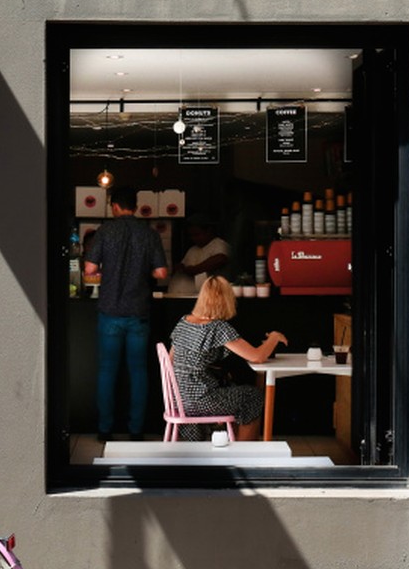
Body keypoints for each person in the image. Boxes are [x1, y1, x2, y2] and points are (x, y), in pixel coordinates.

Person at [84, 187, 169, 441]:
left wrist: (106, 274)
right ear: (134, 205)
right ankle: (136, 431)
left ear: (115, 206)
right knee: (139, 371)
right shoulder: (149, 234)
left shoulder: (105, 232)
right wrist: (145, 274)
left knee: (107, 370)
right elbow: (162, 273)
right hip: (139, 312)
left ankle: (105, 430)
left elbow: (89, 269)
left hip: (110, 310)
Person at [169, 276, 288, 441]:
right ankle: (243, 454)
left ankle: (234, 446)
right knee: (252, 397)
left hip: (178, 400)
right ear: (226, 300)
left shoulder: (183, 322)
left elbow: (170, 361)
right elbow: (257, 356)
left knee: (233, 388)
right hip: (200, 401)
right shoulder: (217, 327)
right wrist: (274, 338)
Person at [175, 214, 230, 294]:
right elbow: (183, 265)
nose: (194, 238)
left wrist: (194, 270)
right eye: (191, 235)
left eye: (197, 234)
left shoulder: (219, 244)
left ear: (209, 231)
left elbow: (220, 259)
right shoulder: (192, 249)